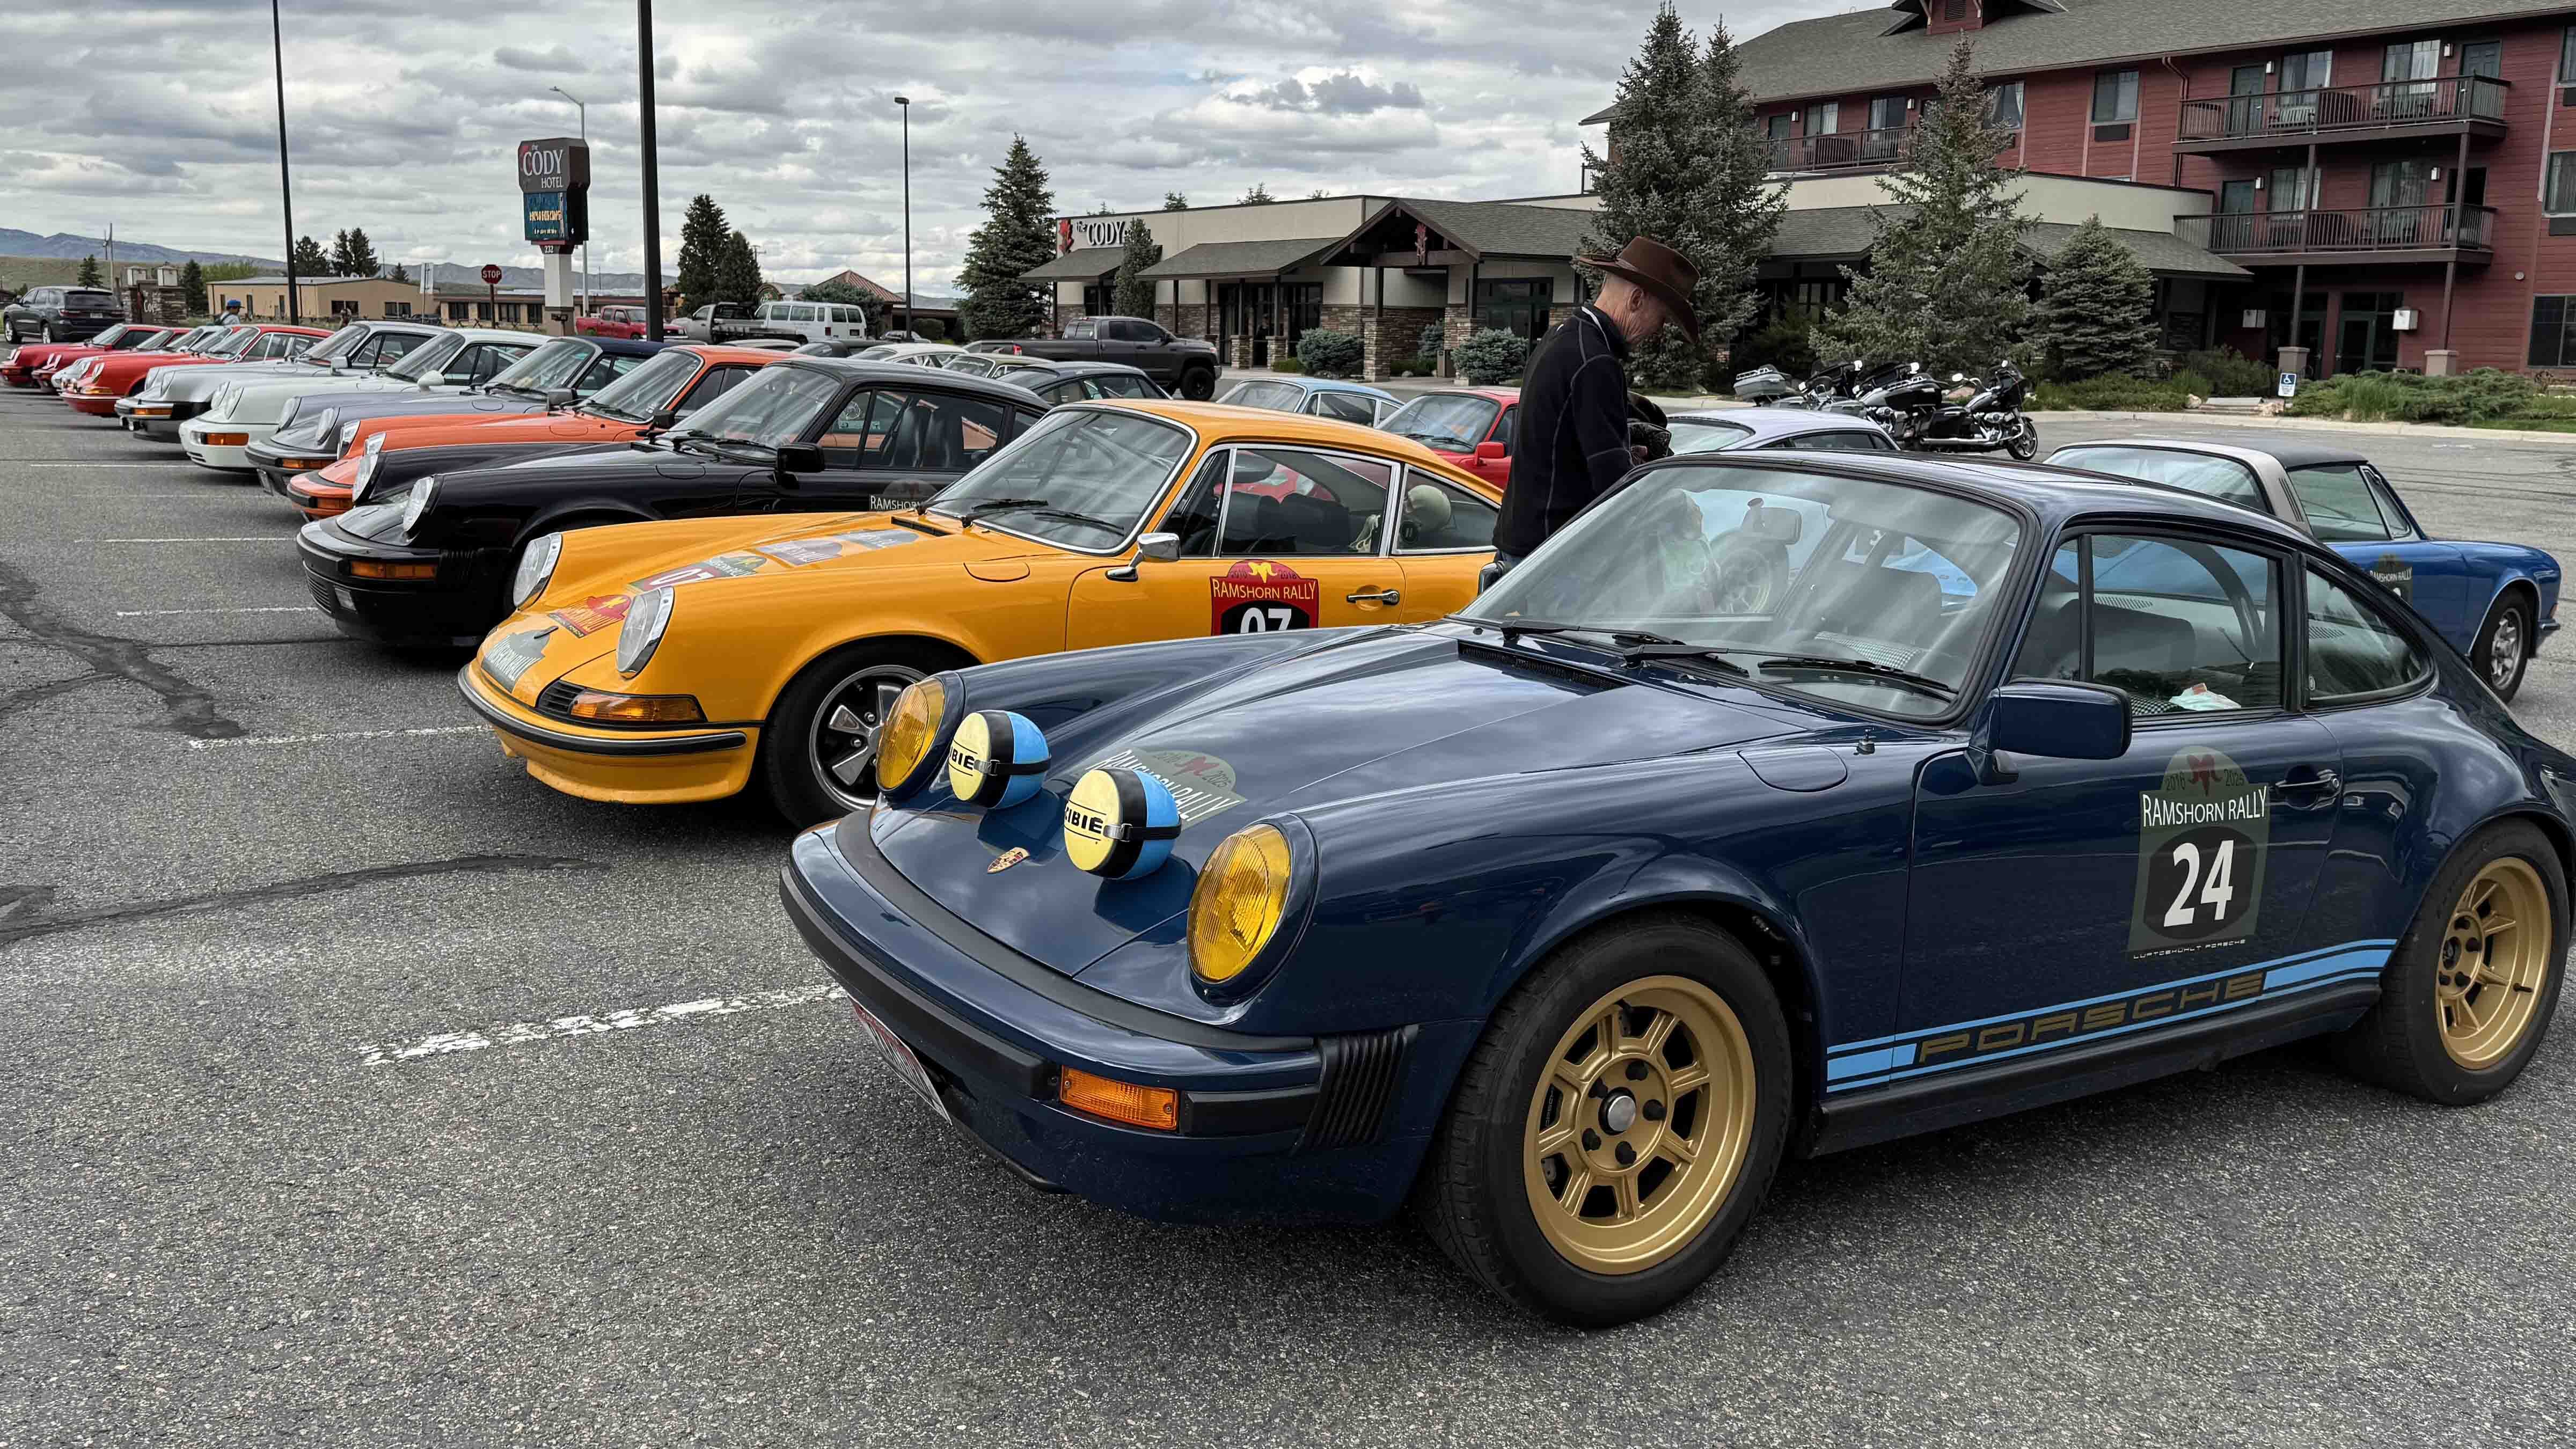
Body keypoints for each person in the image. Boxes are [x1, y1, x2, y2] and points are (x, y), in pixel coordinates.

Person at [1488, 236, 1698, 579]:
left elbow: (1563, 445)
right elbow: (1612, 482)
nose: (1658, 332)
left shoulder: (1562, 337)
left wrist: (1625, 447)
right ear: (1636, 299)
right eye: (1661, 319)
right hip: (1555, 554)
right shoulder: (1597, 361)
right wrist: (1662, 493)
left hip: (1523, 539)